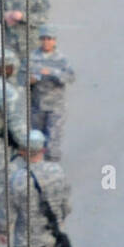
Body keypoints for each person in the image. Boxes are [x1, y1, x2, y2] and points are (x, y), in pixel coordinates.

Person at [0, 129, 72, 247]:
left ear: (23, 152)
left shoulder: (16, 179)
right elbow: (67, 206)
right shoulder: (58, 172)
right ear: (43, 150)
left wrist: (3, 230)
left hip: (26, 241)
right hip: (52, 236)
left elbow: (7, 212)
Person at [28, 26, 75, 161]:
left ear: (54, 41)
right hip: (37, 107)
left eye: (49, 39)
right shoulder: (32, 57)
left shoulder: (61, 59)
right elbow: (21, 78)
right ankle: (38, 169)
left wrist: (53, 73)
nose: (46, 42)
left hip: (56, 108)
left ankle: (52, 171)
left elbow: (70, 77)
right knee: (37, 141)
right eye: (43, 38)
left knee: (53, 142)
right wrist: (32, 79)